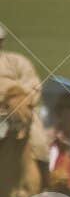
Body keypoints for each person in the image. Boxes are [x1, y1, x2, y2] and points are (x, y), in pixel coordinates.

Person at [0, 22, 51, 178]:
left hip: (20, 115)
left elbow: (33, 85)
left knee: (40, 144)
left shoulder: (16, 61)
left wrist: (16, 100)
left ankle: (46, 181)